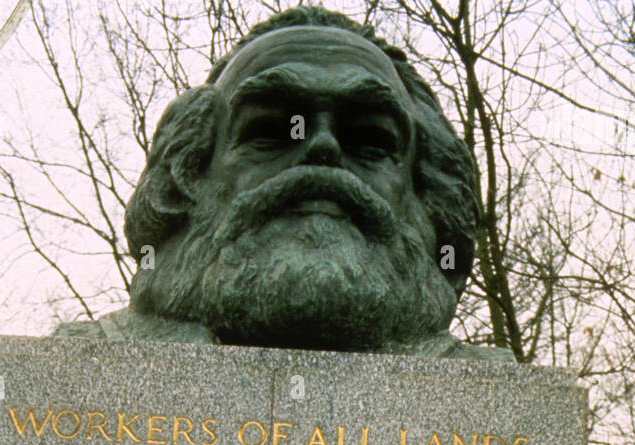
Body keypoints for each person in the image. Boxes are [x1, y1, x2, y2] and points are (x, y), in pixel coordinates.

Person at [55, 6, 513, 360]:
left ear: (426, 197)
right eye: (271, 130)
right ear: (185, 178)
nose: (321, 148)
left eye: (370, 140)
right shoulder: (71, 368)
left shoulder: (502, 406)